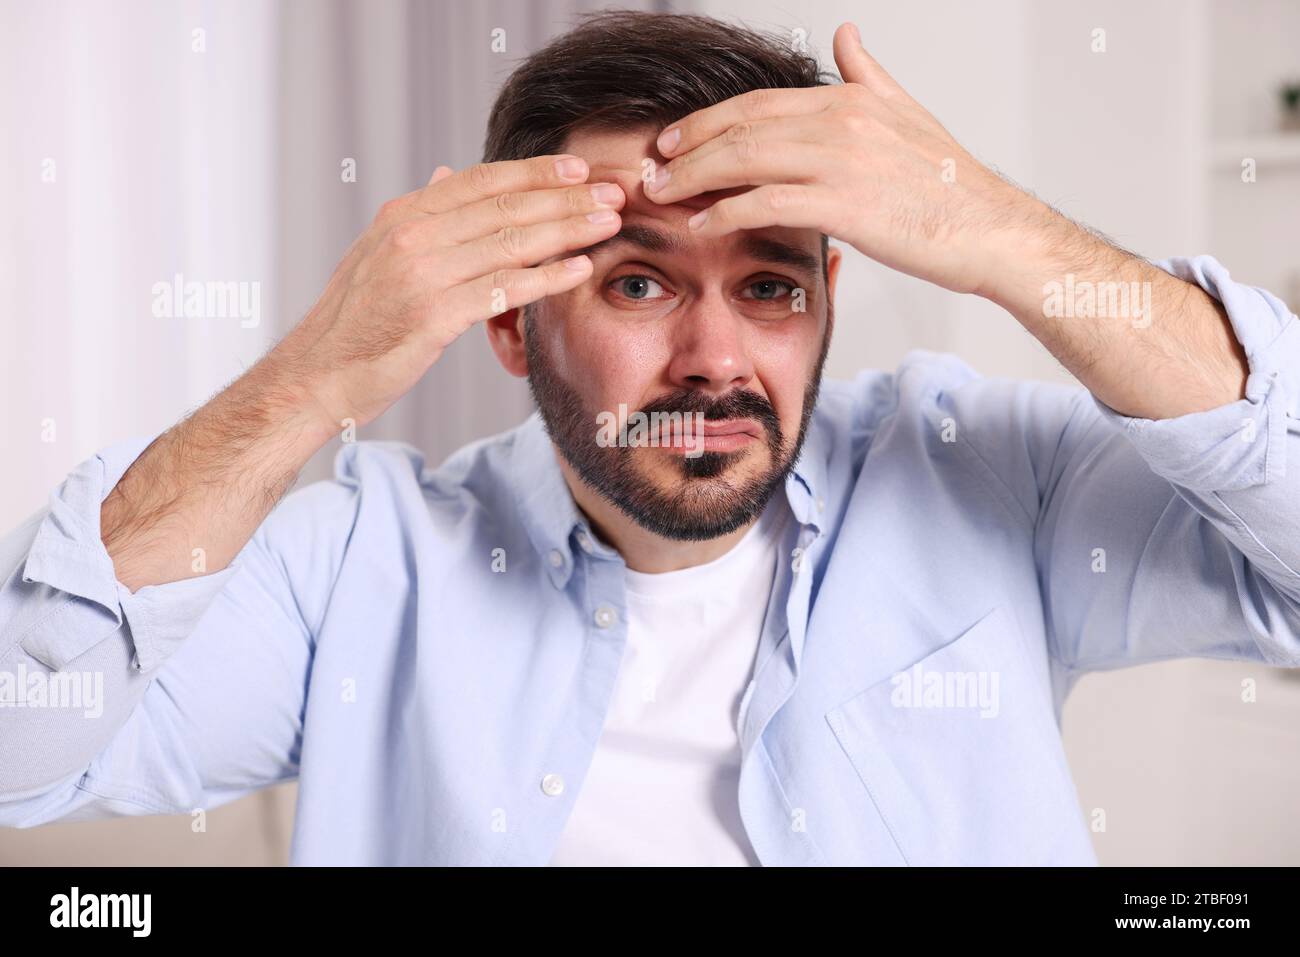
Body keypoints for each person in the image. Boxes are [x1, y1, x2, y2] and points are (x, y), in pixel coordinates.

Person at [1, 11, 1297, 866]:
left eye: (771, 284)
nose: (717, 358)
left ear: (828, 298)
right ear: (508, 326)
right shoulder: (363, 569)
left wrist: (1005, 236)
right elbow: (23, 743)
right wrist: (310, 375)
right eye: (636, 283)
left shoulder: (982, 477)